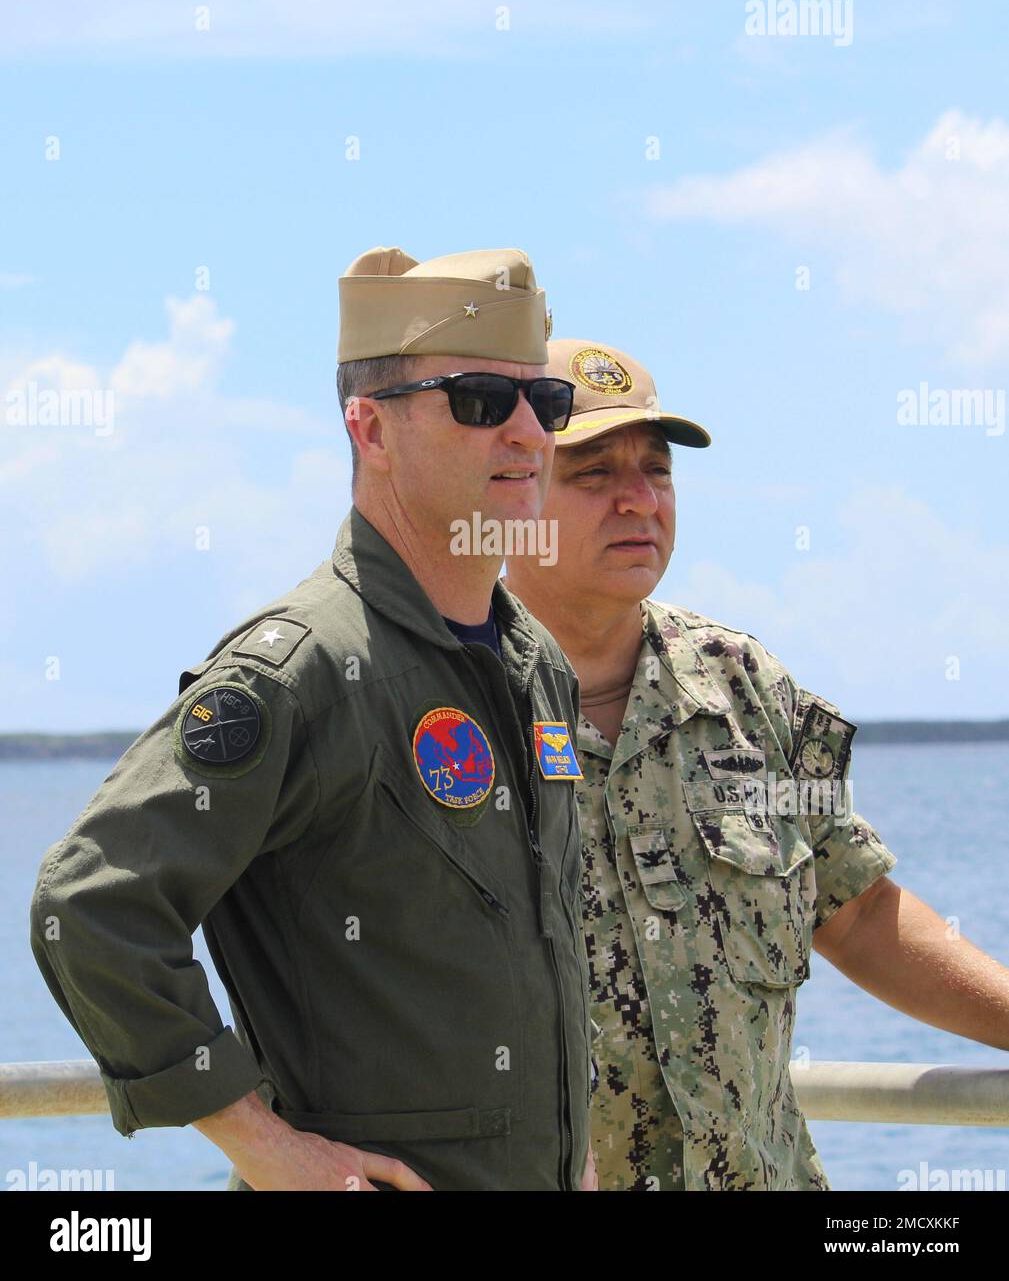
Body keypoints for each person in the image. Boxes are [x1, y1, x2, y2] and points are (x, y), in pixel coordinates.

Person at [29, 248, 596, 1193]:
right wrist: (263, 1147)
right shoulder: (299, 674)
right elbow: (90, 908)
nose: (530, 435)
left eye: (548, 402)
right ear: (369, 428)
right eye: (481, 401)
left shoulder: (535, 665)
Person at [502, 336, 1009, 1191]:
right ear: (511, 493)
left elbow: (853, 910)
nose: (638, 500)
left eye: (656, 471)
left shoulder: (743, 684)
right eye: (592, 474)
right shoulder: (441, 708)